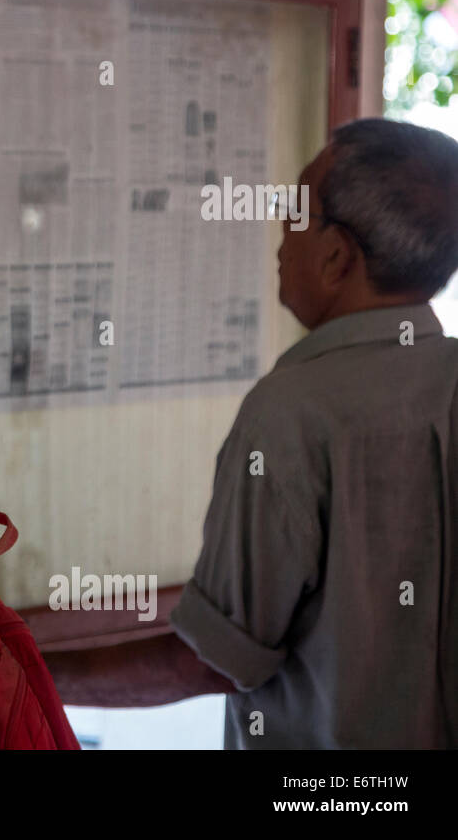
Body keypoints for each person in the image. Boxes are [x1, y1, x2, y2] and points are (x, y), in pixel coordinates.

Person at [46, 118, 458, 749]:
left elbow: (214, 659)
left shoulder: (293, 411)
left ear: (336, 255)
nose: (278, 234)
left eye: (296, 211)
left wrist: (29, 671)